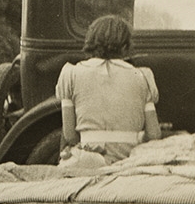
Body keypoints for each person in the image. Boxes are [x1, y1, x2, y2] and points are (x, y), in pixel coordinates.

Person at [56, 14, 160, 168]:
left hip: (90, 159)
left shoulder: (70, 74)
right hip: (129, 158)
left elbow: (69, 135)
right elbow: (154, 134)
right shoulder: (143, 76)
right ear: (125, 46)